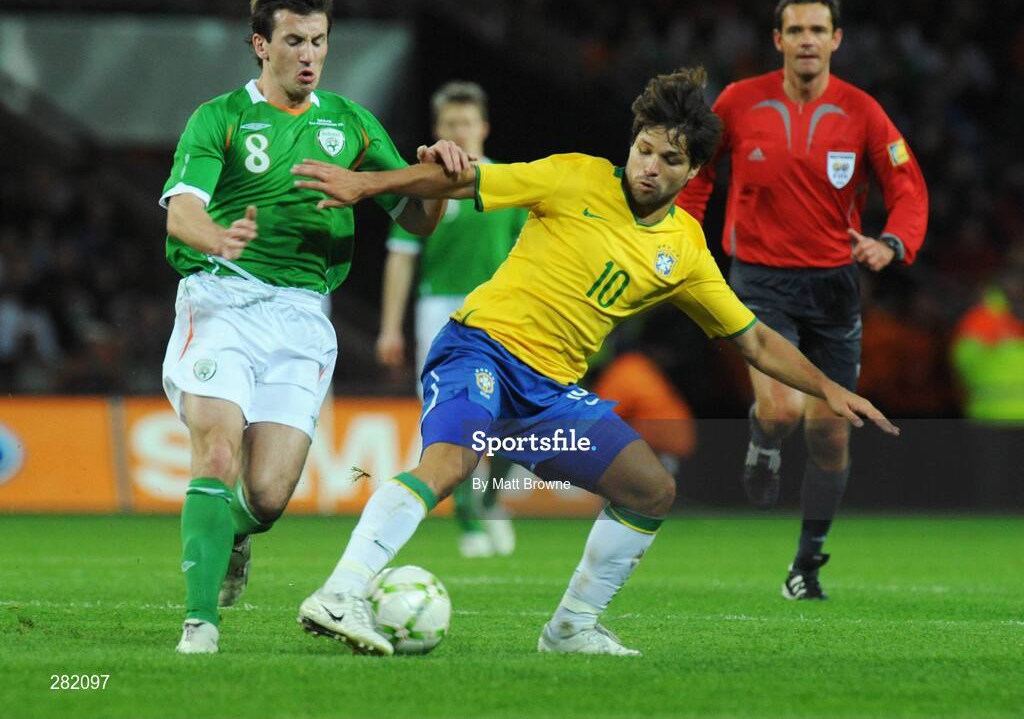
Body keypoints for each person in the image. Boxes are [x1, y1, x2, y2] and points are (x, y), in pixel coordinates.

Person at [290, 66, 898, 656]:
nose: (650, 168)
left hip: (549, 393)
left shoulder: (684, 250)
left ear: (694, 171)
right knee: (450, 462)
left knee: (650, 489)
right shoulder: (573, 177)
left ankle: (571, 628)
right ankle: (340, 592)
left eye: (670, 160)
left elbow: (755, 340)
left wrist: (827, 388)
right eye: (644, 150)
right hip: (477, 349)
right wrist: (365, 186)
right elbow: (461, 181)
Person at [160, 0, 456, 654]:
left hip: (300, 314)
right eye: (294, 40)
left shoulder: (348, 122)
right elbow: (183, 214)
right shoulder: (220, 117)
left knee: (266, 495)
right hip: (223, 296)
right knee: (217, 450)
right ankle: (200, 623)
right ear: (261, 45)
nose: (309, 54)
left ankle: (233, 534)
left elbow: (414, 216)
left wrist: (434, 180)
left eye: (319, 41)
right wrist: (220, 238)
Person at [676, 0, 928, 600]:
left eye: (819, 30)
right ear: (778, 40)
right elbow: (698, 178)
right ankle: (764, 440)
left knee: (830, 432)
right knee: (783, 410)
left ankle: (806, 564)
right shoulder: (738, 102)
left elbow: (907, 187)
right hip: (760, 281)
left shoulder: (863, 113)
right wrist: (678, 246)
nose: (808, 40)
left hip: (835, 288)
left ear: (836, 40)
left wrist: (891, 244)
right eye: (796, 31)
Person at [376, 81, 525, 558]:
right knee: (454, 420)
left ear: (483, 127)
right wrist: (389, 327)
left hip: (501, 309)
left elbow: (531, 255)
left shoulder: (511, 183)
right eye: (449, 124)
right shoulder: (422, 183)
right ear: (437, 130)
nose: (459, 132)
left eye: (467, 123)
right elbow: (400, 257)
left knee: (510, 419)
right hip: (439, 310)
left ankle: (489, 495)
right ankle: (469, 523)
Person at [951, 252, 1024, 507]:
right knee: (993, 486)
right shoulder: (984, 319)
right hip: (991, 414)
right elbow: (964, 361)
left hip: (1005, 412)